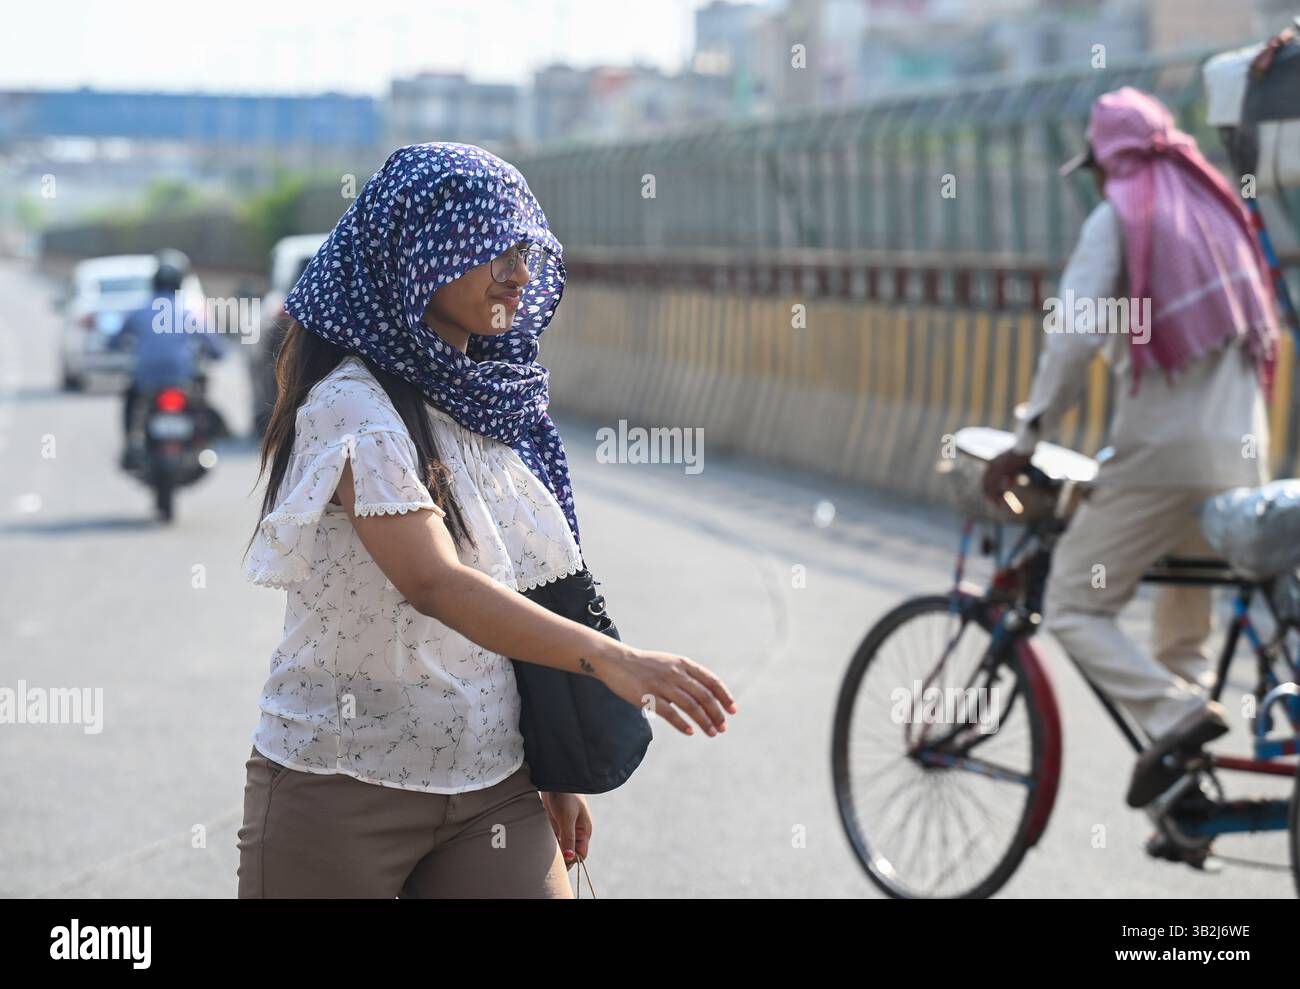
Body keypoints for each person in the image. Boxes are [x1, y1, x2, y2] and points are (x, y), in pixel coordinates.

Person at [236, 143, 737, 898]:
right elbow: (438, 582)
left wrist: (554, 763)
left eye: (524, 248)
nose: (518, 271)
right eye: (489, 247)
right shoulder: (352, 409)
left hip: (491, 784)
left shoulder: (490, 401)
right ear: (416, 252)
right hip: (338, 785)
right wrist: (614, 659)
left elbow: (526, 582)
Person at [983, 88, 1279, 809]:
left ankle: (1175, 716)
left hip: (1163, 459)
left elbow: (1074, 338)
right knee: (1186, 624)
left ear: (1106, 160)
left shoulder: (1119, 216)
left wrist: (1027, 437)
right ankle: (1186, 796)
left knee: (1073, 602)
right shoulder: (1217, 212)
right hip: (1243, 459)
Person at [110, 249, 224, 468]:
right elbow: (214, 345)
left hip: (145, 378)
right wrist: (217, 354)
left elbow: (114, 339)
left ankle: (130, 443)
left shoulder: (139, 310)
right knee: (200, 398)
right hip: (181, 377)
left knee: (131, 401)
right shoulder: (187, 312)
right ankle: (202, 441)